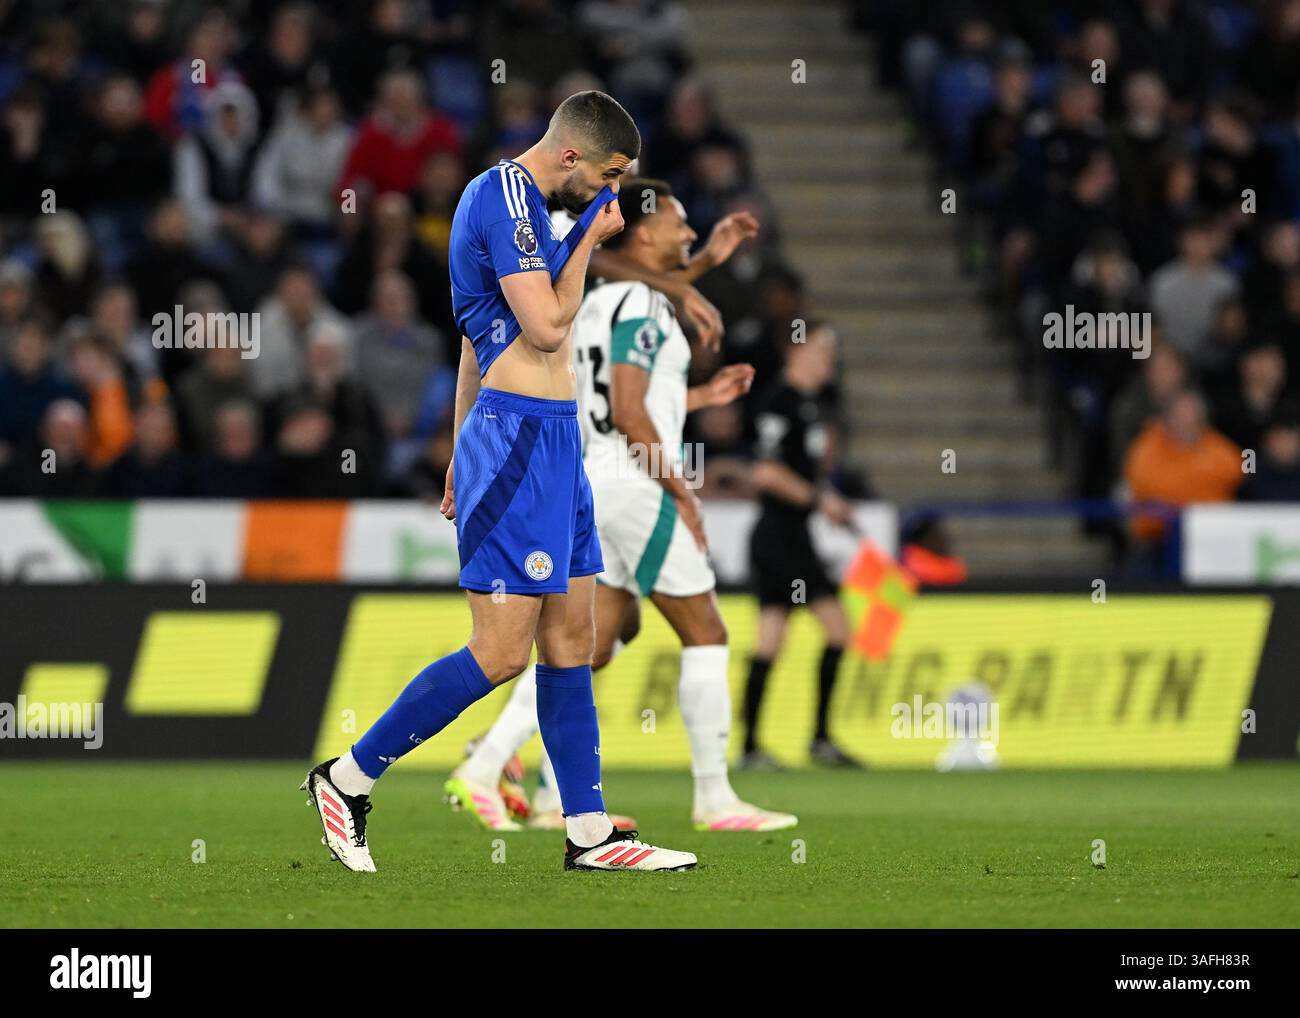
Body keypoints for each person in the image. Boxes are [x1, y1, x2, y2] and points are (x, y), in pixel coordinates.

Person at [301, 91, 695, 873]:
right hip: (516, 442)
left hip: (552, 442)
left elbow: (479, 342)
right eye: (609, 177)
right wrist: (588, 233)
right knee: (501, 652)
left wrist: (455, 441)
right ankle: (347, 779)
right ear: (573, 156)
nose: (611, 193)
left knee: (572, 640)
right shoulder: (504, 198)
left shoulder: (528, 210)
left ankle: (588, 834)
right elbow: (548, 327)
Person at [444, 178, 796, 834]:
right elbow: (631, 414)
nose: (690, 231)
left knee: (593, 641)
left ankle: (491, 767)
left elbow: (609, 401)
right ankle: (716, 798)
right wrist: (682, 494)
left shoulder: (590, 302)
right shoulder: (645, 304)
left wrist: (695, 399)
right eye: (680, 219)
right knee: (707, 632)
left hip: (586, 477)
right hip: (634, 485)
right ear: (643, 228)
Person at [742, 323, 862, 770]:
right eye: (822, 348)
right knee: (838, 629)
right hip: (780, 536)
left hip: (790, 534)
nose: (830, 357)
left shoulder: (813, 405)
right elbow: (764, 472)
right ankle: (819, 739)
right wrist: (819, 500)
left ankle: (752, 747)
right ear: (797, 350)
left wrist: (824, 492)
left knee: (770, 641)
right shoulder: (779, 400)